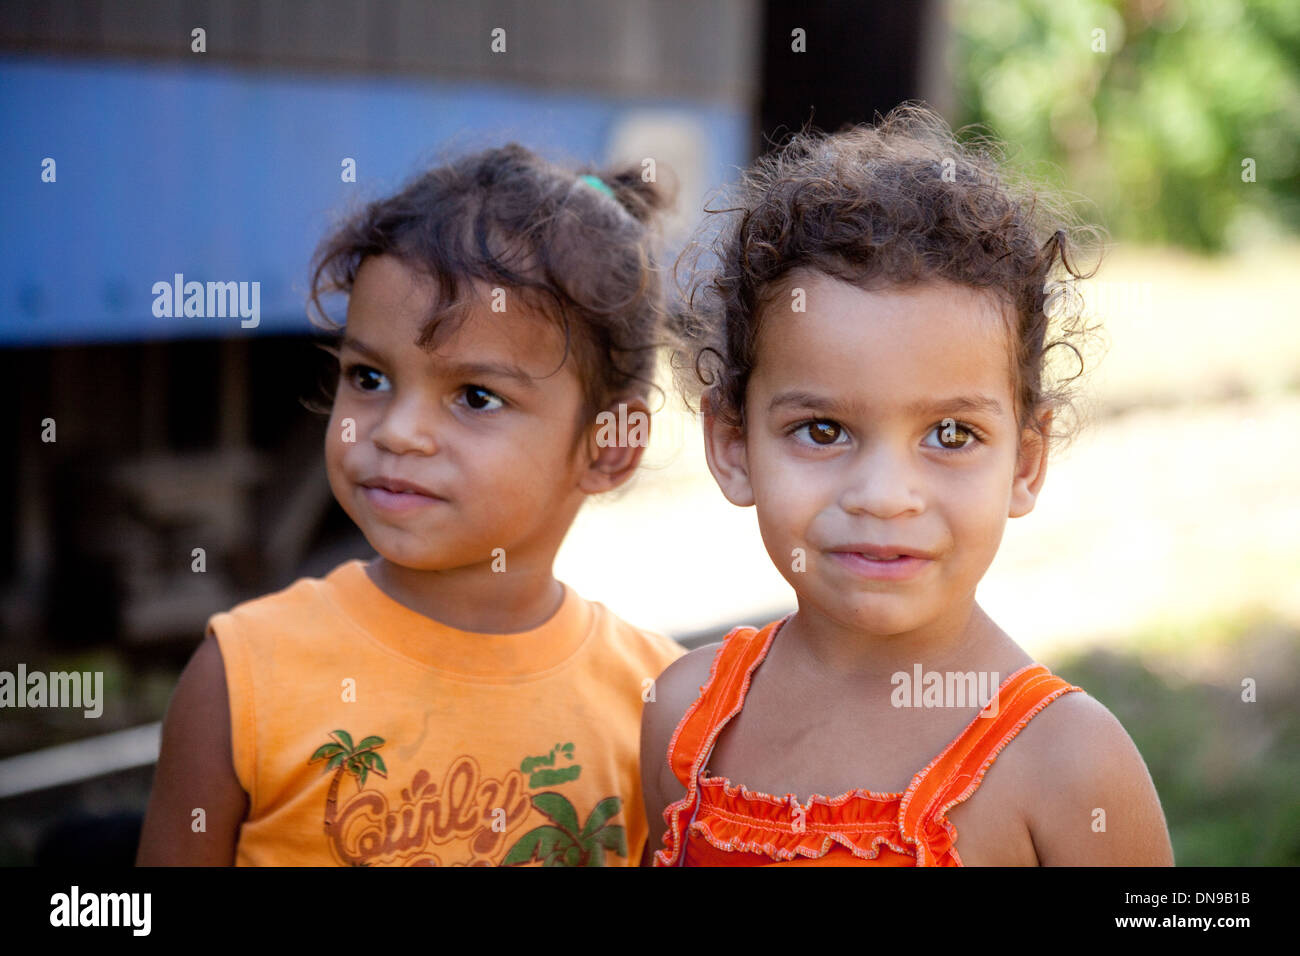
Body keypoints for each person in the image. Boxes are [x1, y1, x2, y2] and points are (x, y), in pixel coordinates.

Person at [641, 103, 1174, 866]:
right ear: (732, 445)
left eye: (951, 436)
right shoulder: (684, 717)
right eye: (822, 431)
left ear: (1026, 463)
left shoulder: (1068, 767)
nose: (886, 495)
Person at [137, 144, 684, 866]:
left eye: (476, 397)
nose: (396, 431)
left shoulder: (660, 709)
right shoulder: (242, 675)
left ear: (610, 445)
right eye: (368, 376)